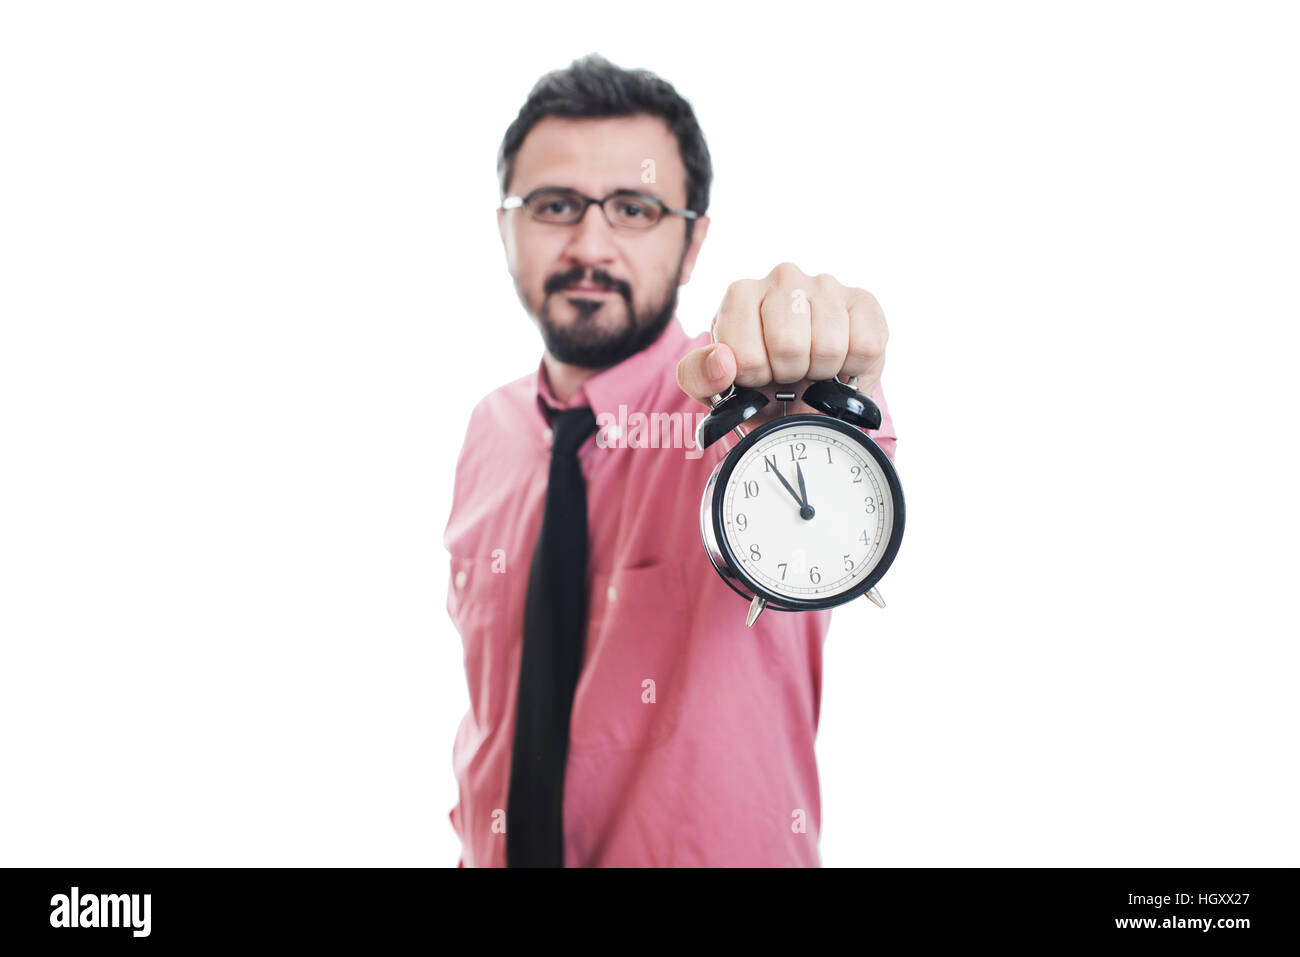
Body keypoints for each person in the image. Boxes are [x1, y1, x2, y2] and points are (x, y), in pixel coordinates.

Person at [443, 53, 897, 867]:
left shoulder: (736, 419)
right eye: (554, 206)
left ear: (694, 245)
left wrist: (811, 378)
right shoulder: (491, 430)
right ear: (505, 225)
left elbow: (816, 475)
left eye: (635, 208)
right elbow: (495, 716)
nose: (590, 244)